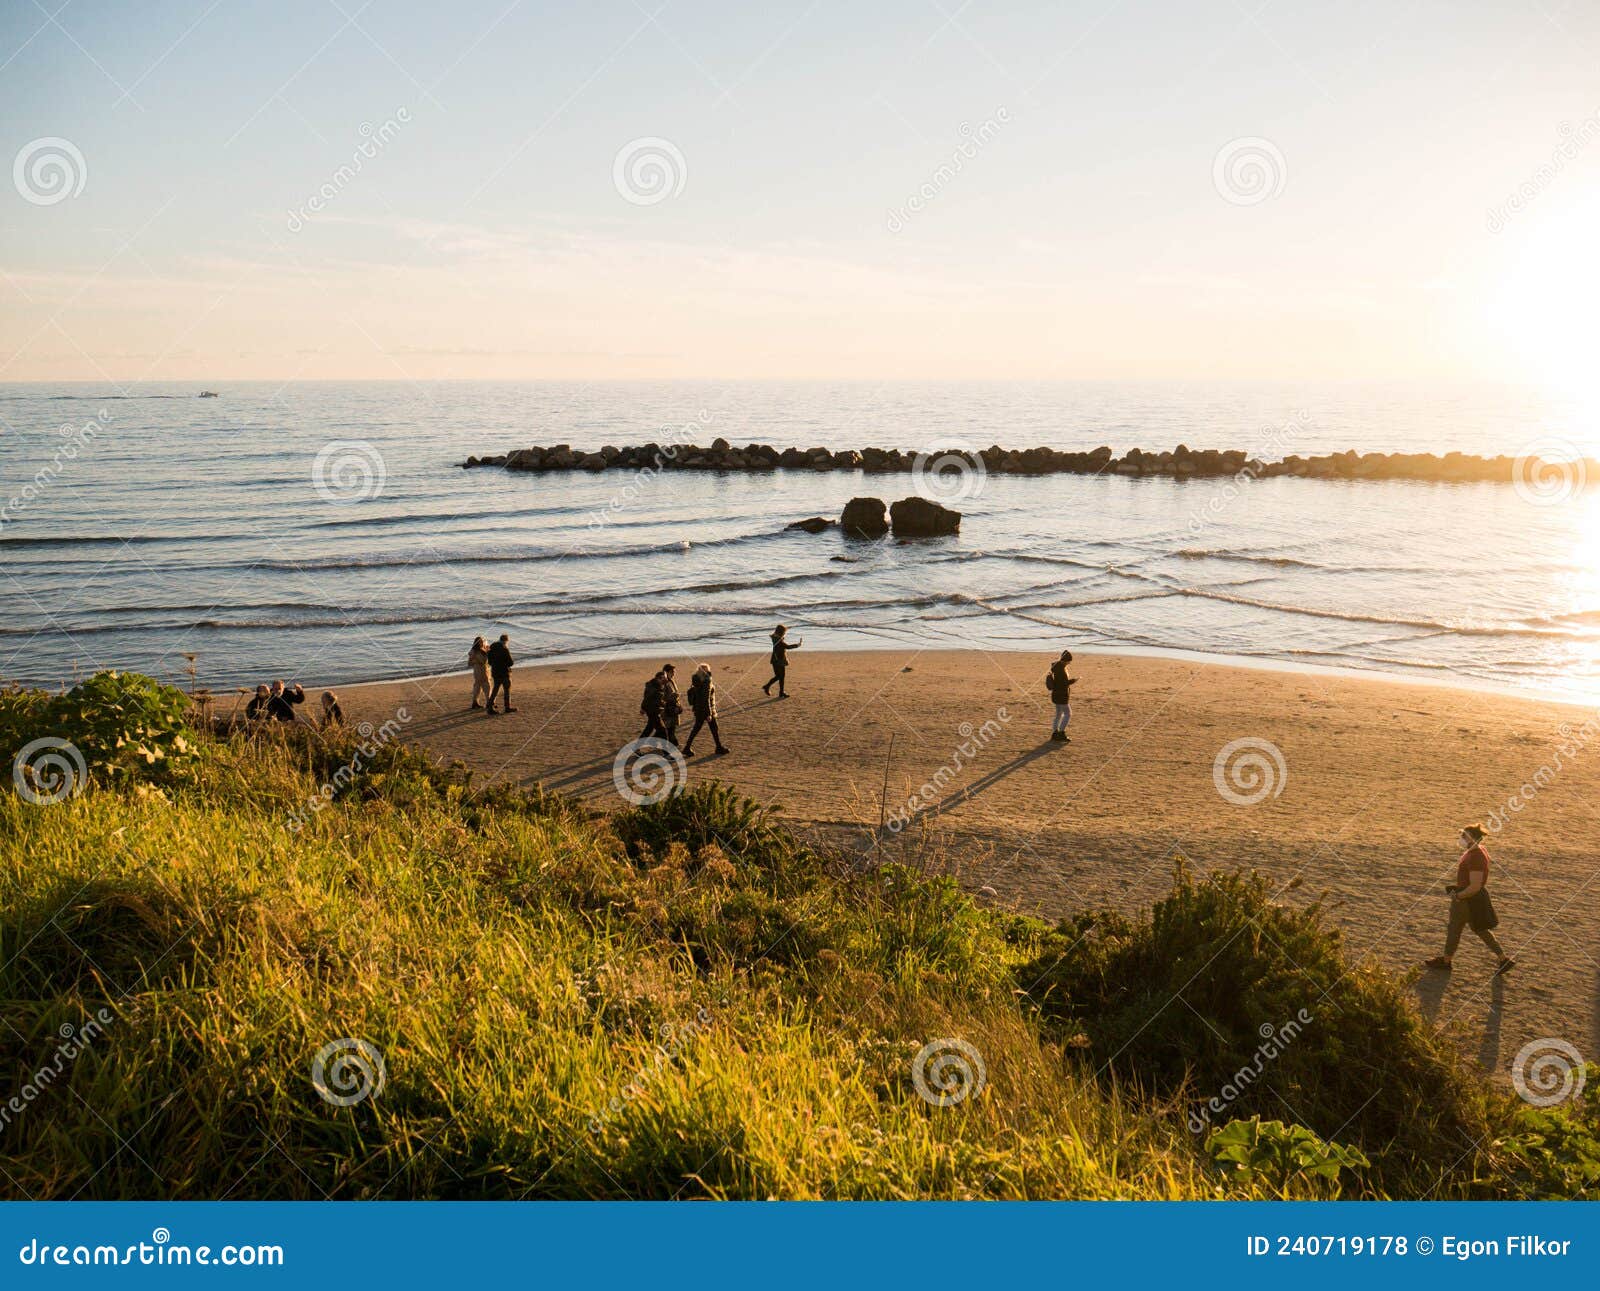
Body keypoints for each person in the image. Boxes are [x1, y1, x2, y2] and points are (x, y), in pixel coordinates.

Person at [1426, 824, 1515, 976]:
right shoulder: (1478, 851)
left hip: (1467, 900)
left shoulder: (1476, 857)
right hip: (1471, 898)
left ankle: (1446, 961)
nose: (1461, 839)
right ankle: (1503, 959)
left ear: (1473, 839)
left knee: (1455, 929)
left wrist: (1459, 896)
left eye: (1464, 836)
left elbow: (1475, 886)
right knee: (1480, 929)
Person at [683, 663, 729, 757]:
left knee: (705, 728)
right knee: (707, 728)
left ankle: (718, 747)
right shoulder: (706, 681)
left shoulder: (696, 680)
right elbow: (706, 698)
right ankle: (718, 748)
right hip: (706, 709)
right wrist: (708, 713)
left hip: (698, 708)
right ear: (707, 671)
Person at [763, 625, 801, 698]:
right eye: (784, 632)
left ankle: (769, 687)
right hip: (779, 660)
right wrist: (797, 645)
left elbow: (782, 645)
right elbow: (788, 647)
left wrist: (781, 638)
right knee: (781, 676)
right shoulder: (779, 640)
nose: (784, 633)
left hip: (775, 660)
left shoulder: (775, 638)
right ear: (781, 632)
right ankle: (779, 692)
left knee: (778, 676)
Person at [1045, 650, 1075, 742]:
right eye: (1069, 661)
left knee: (1058, 714)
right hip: (1061, 695)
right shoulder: (1061, 669)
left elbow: (1059, 682)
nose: (1069, 663)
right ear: (1065, 660)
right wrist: (1073, 681)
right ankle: (1061, 733)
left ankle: (1055, 733)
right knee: (1068, 714)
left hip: (1056, 695)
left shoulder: (1057, 667)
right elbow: (1063, 684)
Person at [486, 633, 516, 714]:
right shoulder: (505, 648)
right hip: (504, 673)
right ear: (506, 641)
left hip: (495, 672)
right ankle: (507, 707)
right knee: (507, 690)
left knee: (495, 690)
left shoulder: (492, 647)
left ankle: (490, 707)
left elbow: (489, 662)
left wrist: (496, 665)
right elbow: (511, 663)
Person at [639, 669, 671, 743]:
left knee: (648, 729)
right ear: (658, 678)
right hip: (653, 711)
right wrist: (643, 708)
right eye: (664, 678)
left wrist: (663, 704)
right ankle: (666, 751)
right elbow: (646, 698)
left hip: (654, 710)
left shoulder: (658, 685)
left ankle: (636, 747)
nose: (666, 679)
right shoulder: (653, 687)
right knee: (663, 731)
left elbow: (657, 699)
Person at [660, 664, 683, 746]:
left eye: (674, 672)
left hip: (673, 706)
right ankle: (672, 743)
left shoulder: (671, 681)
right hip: (668, 708)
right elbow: (662, 696)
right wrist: (673, 696)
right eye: (672, 672)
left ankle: (673, 743)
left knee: (671, 727)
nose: (674, 673)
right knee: (669, 727)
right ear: (666, 672)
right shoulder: (664, 682)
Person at [468, 636, 491, 710]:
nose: (483, 643)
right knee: (486, 685)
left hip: (479, 670)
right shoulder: (477, 651)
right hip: (481, 670)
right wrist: (487, 652)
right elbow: (483, 661)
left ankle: (475, 703)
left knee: (477, 686)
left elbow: (470, 663)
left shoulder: (475, 651)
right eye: (481, 642)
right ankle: (488, 702)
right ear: (477, 643)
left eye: (483, 641)